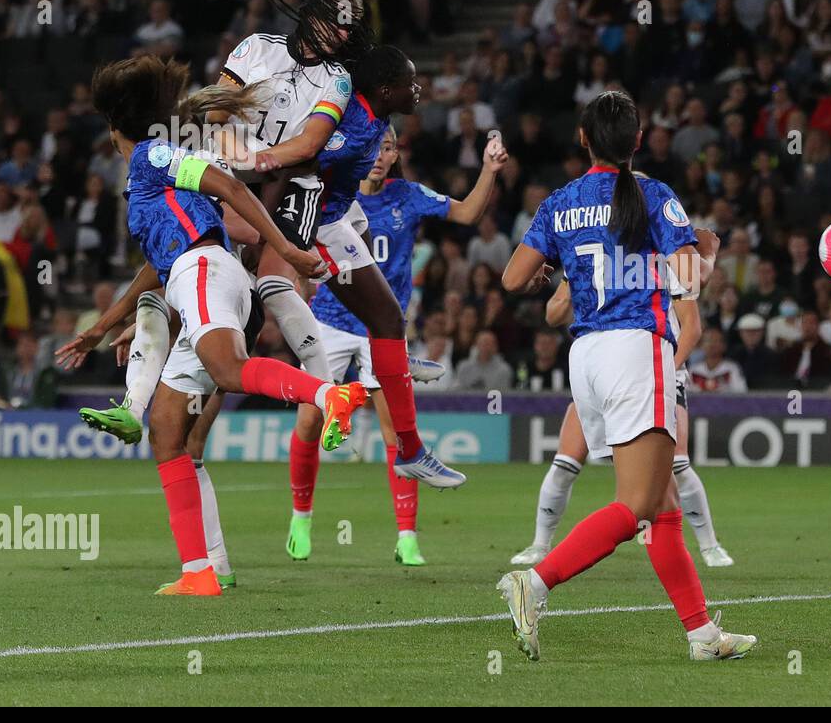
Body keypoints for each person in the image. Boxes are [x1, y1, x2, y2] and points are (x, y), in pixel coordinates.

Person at [58, 55, 367, 596]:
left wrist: (290, 253)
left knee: (228, 371)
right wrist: (103, 326)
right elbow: (157, 264)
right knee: (167, 430)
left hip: (205, 270)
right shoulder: (146, 176)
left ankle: (327, 395)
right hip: (192, 273)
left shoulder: (155, 154)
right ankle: (198, 571)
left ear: (113, 130)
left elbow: (231, 187)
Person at [496, 90, 756, 662]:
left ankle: (702, 635)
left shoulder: (559, 202)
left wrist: (554, 266)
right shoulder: (654, 195)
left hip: (584, 357)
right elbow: (692, 278)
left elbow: (514, 279)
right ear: (638, 141)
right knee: (637, 505)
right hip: (636, 349)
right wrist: (707, 250)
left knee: (661, 506)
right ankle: (532, 585)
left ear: (583, 140)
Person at [291, 125, 503, 565]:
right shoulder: (334, 192)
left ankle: (407, 537)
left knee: (397, 431)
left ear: (394, 155)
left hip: (382, 332)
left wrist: (488, 170)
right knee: (310, 421)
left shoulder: (407, 195)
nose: (379, 155)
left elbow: (465, 214)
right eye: (374, 146)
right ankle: (301, 516)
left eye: (387, 147)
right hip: (331, 319)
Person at [510, 228, 735, 570]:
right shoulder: (594, 261)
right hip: (605, 369)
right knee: (566, 463)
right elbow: (553, 316)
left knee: (675, 466)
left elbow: (692, 325)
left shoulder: (666, 257)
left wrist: (664, 370)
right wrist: (572, 280)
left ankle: (709, 546)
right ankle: (540, 548)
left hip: (656, 369)